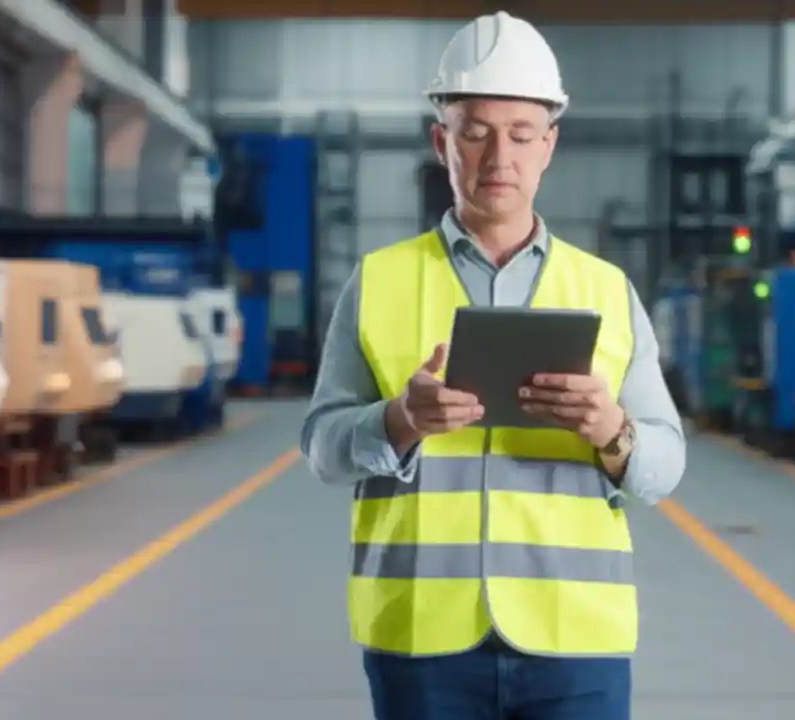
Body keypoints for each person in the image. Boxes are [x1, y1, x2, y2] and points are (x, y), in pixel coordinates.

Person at [301, 10, 686, 719]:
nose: (498, 157)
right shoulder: (379, 282)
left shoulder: (607, 290)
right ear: (441, 142)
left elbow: (664, 468)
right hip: (420, 637)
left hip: (575, 641)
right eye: (475, 133)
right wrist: (397, 422)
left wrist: (612, 431)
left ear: (550, 145)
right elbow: (323, 451)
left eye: (520, 134)